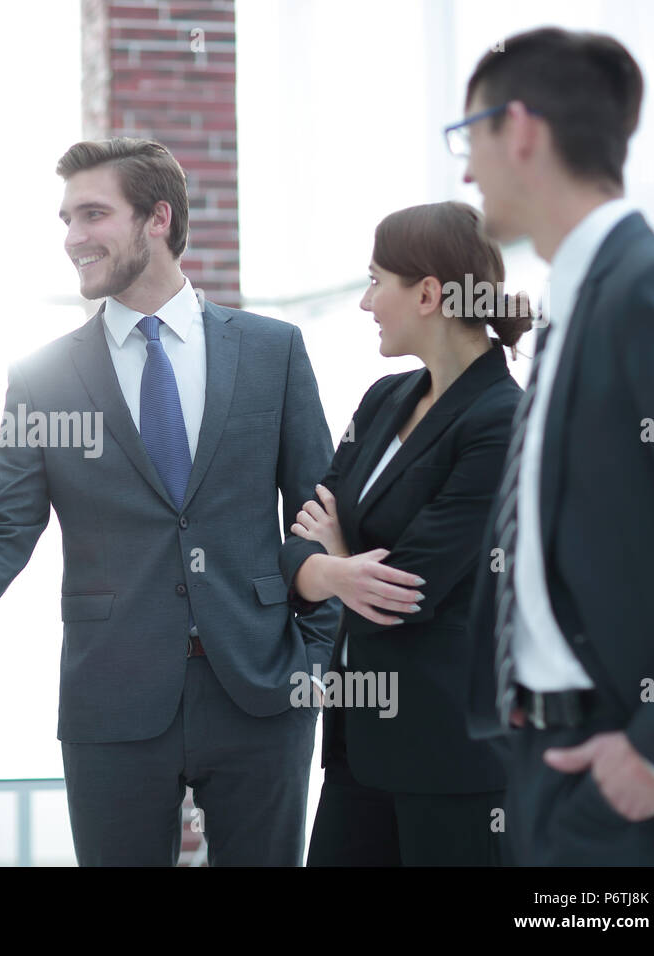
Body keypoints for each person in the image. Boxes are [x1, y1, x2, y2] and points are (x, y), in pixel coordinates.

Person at [0, 137, 339, 866]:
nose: (73, 238)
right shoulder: (44, 377)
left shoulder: (273, 351)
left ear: (157, 218)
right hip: (111, 699)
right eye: (66, 219)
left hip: (263, 694)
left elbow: (319, 519)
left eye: (92, 215)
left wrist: (316, 662)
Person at [458, 27, 654, 865]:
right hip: (544, 767)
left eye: (470, 138)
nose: (465, 170)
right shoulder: (572, 302)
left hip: (627, 784)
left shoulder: (651, 287)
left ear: (519, 130)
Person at [279, 202, 524, 865]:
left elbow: (408, 588)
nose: (364, 303)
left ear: (427, 293)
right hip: (357, 748)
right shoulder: (382, 399)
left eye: (374, 280)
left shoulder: (503, 419)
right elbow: (297, 537)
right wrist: (334, 567)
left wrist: (332, 556)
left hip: (452, 760)